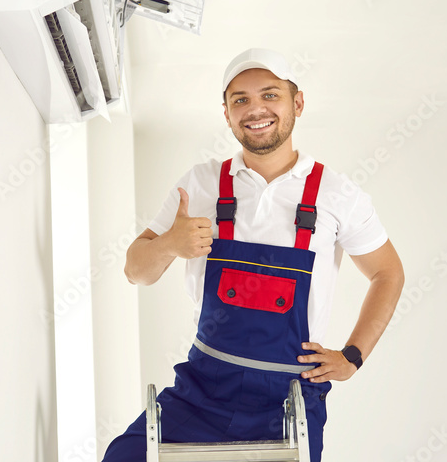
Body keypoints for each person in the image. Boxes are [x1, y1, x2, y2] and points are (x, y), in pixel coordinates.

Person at [100, 48, 405, 462]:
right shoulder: (202, 183)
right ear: (226, 113)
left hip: (287, 401)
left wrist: (353, 357)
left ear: (297, 102)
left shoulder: (337, 195)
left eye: (270, 95)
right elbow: (135, 270)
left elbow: (388, 273)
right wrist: (171, 244)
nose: (255, 109)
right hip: (202, 391)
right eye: (239, 99)